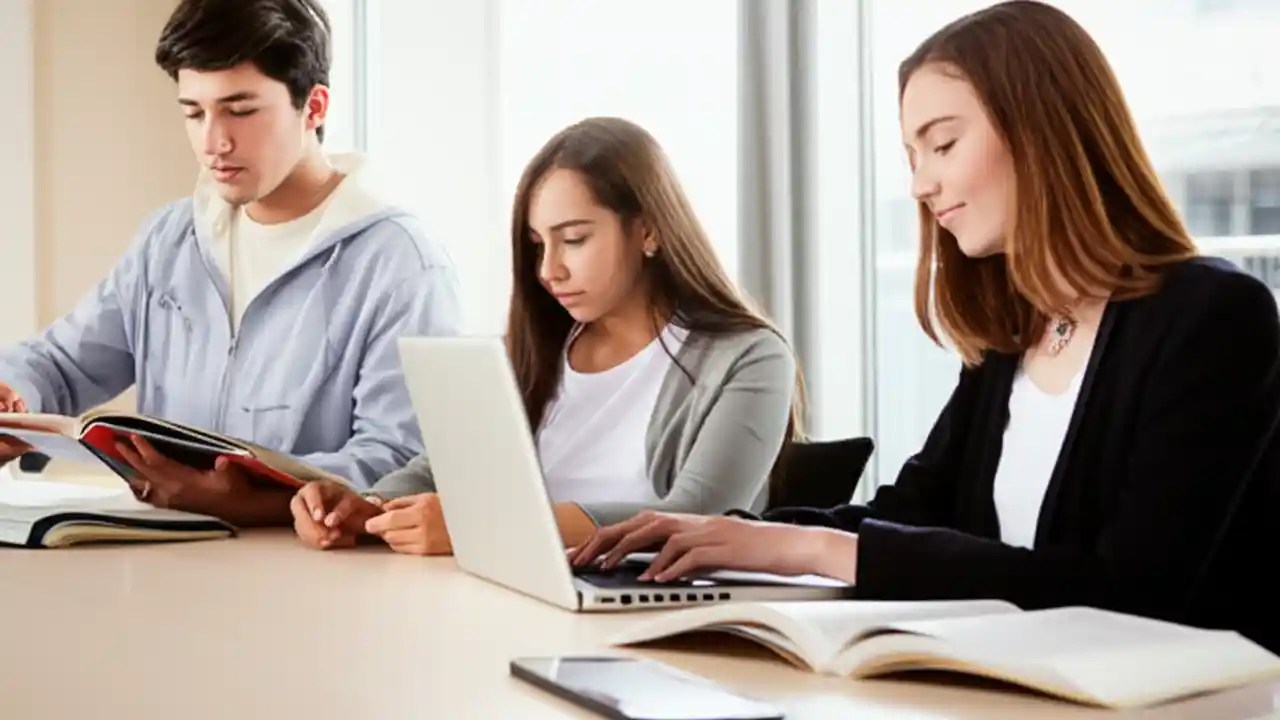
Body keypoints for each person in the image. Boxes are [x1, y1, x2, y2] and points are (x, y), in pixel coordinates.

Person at [569, 0, 1280, 652]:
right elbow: (913, 512)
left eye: (941, 146)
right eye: (912, 157)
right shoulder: (1013, 335)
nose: (920, 185)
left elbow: (1132, 593)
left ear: (1043, 130)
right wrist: (737, 537)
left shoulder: (1215, 318)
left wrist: (813, 551)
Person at [0, 0, 461, 525]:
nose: (214, 143)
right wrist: (13, 393)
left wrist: (247, 497)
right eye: (194, 113)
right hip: (169, 557)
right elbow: (62, 364)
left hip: (318, 577)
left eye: (240, 110)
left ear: (314, 108)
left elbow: (399, 461)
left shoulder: (401, 264)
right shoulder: (169, 239)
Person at [291, 117, 803, 555]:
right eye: (538, 245)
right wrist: (365, 507)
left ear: (648, 231)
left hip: (657, 621)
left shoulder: (750, 358)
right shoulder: (536, 351)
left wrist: (484, 528)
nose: (549, 270)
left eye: (575, 239)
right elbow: (437, 470)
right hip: (515, 602)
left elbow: (694, 516)